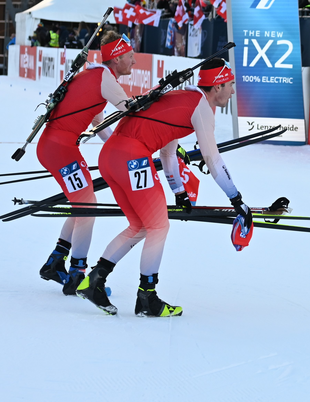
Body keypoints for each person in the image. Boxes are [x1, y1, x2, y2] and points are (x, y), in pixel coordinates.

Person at [78, 59, 249, 317]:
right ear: (218, 85)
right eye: (231, 85)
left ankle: (94, 281)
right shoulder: (201, 108)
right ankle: (147, 298)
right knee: (158, 226)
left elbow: (168, 152)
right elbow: (213, 159)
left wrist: (179, 192)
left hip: (110, 157)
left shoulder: (183, 98)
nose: (233, 91)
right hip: (131, 159)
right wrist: (237, 200)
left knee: (141, 226)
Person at [35, 31, 134, 294]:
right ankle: (77, 275)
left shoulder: (95, 75)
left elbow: (99, 123)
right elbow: (131, 112)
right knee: (87, 207)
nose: (134, 62)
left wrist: (117, 147)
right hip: (61, 150)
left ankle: (57, 260)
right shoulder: (104, 78)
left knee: (82, 205)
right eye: (130, 56)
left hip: (57, 147)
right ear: (117, 58)